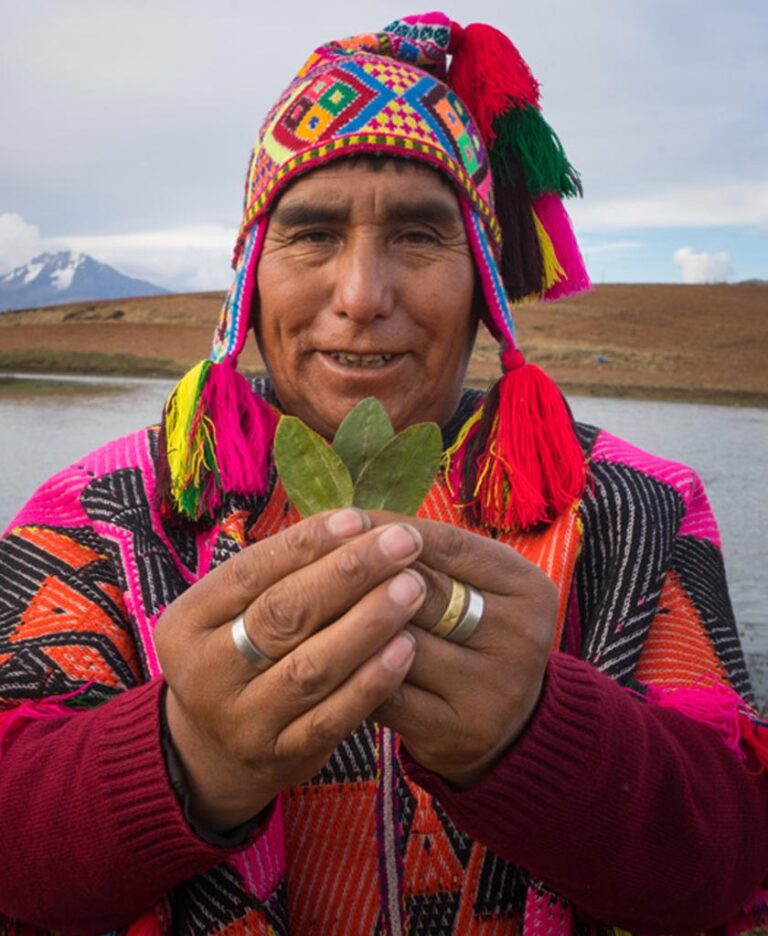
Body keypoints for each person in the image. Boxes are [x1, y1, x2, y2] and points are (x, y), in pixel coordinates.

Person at [0, 12, 766, 935]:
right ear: (250, 276)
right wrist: (184, 757)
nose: (362, 297)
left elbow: (735, 862)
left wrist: (542, 737)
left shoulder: (634, 510)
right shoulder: (99, 511)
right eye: (311, 235)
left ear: (483, 278)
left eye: (418, 236)